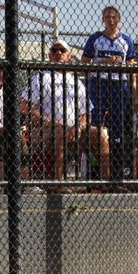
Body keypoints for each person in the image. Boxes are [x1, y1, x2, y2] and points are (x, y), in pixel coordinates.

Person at [23, 39, 110, 180]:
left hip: (74, 130)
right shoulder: (40, 77)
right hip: (46, 130)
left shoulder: (76, 81)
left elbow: (87, 113)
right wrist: (50, 123)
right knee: (60, 131)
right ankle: (59, 182)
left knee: (100, 134)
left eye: (62, 50)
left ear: (68, 56)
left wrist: (79, 127)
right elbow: (24, 105)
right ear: (49, 56)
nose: (58, 53)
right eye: (54, 50)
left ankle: (106, 181)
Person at [82, 6, 136, 179]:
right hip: (99, 83)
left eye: (114, 17)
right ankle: (94, 170)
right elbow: (84, 62)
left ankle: (116, 172)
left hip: (120, 85)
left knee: (117, 127)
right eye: (107, 17)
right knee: (95, 125)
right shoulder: (95, 39)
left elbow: (131, 67)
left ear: (118, 19)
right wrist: (105, 62)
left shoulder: (126, 40)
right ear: (103, 19)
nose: (111, 21)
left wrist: (134, 92)